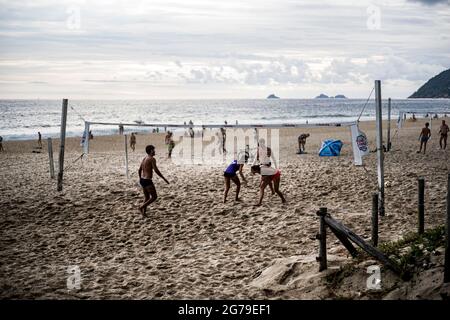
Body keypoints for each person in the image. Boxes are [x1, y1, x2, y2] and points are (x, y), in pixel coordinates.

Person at [138, 145, 169, 217]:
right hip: (147, 180)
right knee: (154, 197)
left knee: (147, 198)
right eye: (153, 150)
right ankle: (141, 207)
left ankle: (144, 213)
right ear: (150, 151)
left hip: (142, 180)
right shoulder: (152, 159)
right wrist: (163, 178)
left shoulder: (144, 158)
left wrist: (140, 178)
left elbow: (139, 170)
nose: (154, 151)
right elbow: (156, 170)